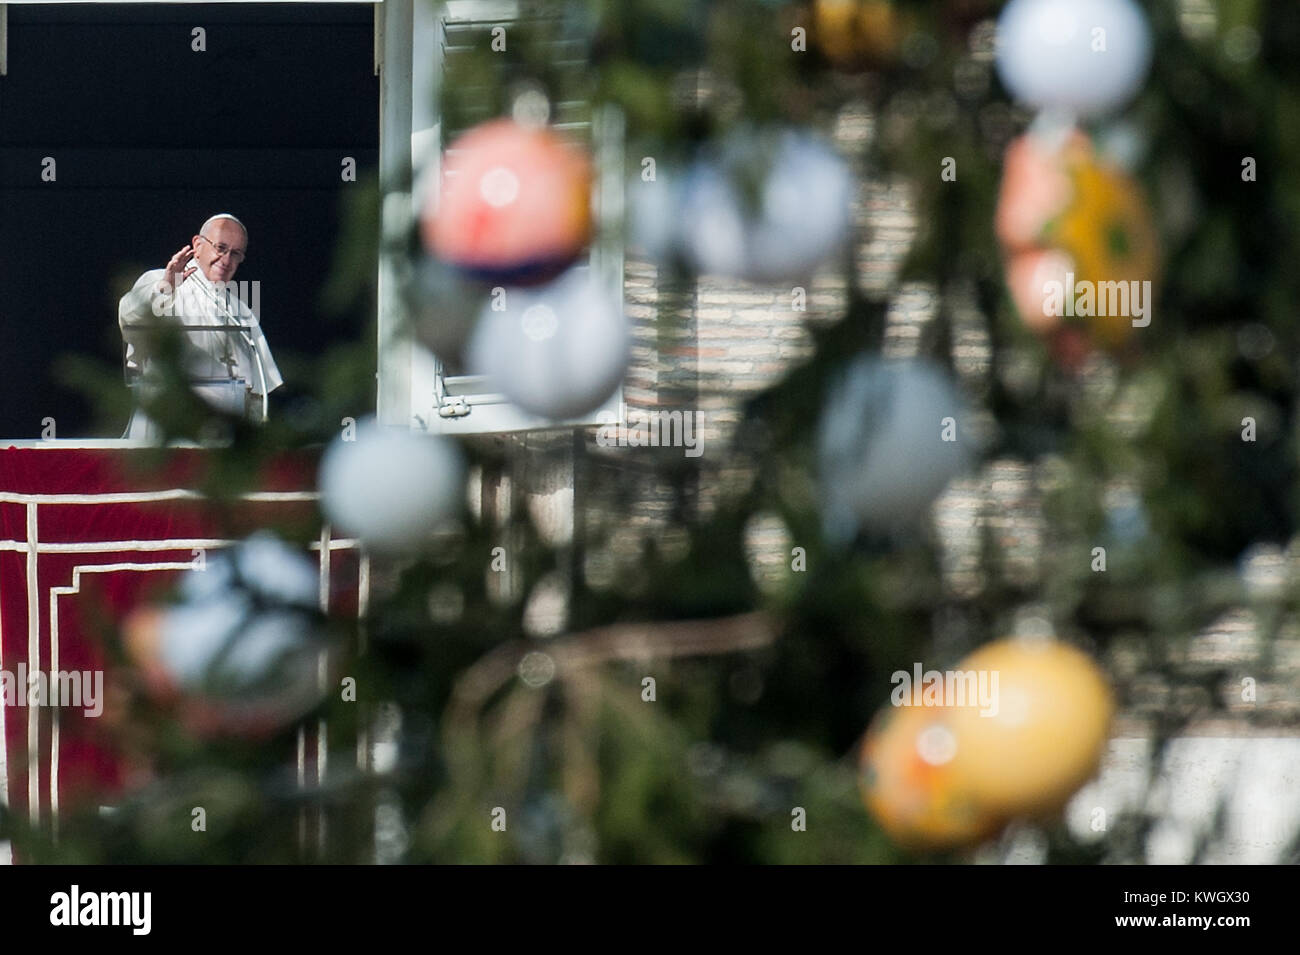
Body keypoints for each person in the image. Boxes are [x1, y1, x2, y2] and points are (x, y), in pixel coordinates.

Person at [117, 213, 283, 439]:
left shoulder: (240, 309)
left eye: (235, 254)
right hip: (167, 430)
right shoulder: (161, 281)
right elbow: (130, 316)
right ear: (197, 244)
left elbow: (254, 392)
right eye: (220, 248)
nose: (226, 260)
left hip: (220, 439)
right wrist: (166, 286)